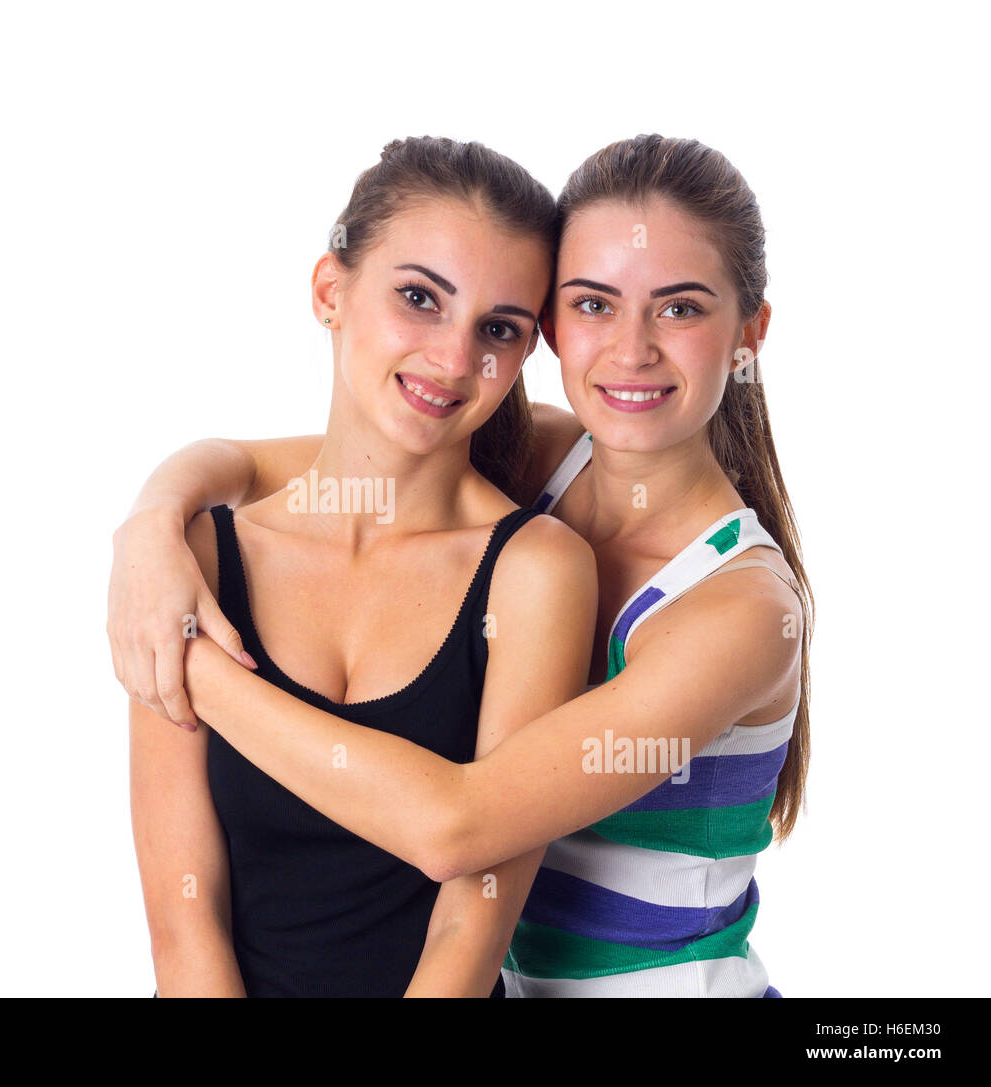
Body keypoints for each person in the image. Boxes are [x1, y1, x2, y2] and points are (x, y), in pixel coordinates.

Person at [112, 133, 813, 997]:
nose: (632, 350)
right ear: (553, 329)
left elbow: (458, 826)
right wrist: (146, 529)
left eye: (680, 309)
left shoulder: (737, 607)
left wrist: (180, 666)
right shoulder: (538, 462)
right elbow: (271, 465)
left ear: (750, 333)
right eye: (595, 304)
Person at [127, 136, 599, 997]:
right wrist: (150, 517)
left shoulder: (536, 573)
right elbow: (184, 921)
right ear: (330, 291)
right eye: (420, 298)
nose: (455, 361)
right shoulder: (194, 554)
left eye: (498, 329)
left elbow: (470, 925)